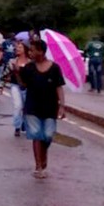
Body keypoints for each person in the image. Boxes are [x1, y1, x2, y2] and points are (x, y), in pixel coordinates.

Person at [18, 39, 66, 179]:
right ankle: (39, 166)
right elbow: (23, 85)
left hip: (50, 108)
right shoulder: (29, 68)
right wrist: (16, 73)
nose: (30, 53)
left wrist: (62, 106)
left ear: (41, 51)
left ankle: (43, 156)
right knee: (36, 135)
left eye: (32, 50)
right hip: (32, 107)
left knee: (48, 135)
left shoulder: (55, 68)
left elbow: (59, 87)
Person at [4, 41, 31, 137]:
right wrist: (0, 87)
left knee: (26, 107)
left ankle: (24, 123)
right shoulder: (12, 61)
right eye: (17, 47)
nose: (17, 49)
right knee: (18, 106)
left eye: (20, 47)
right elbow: (4, 74)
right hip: (15, 85)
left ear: (25, 50)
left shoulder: (31, 63)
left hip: (27, 87)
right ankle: (17, 126)